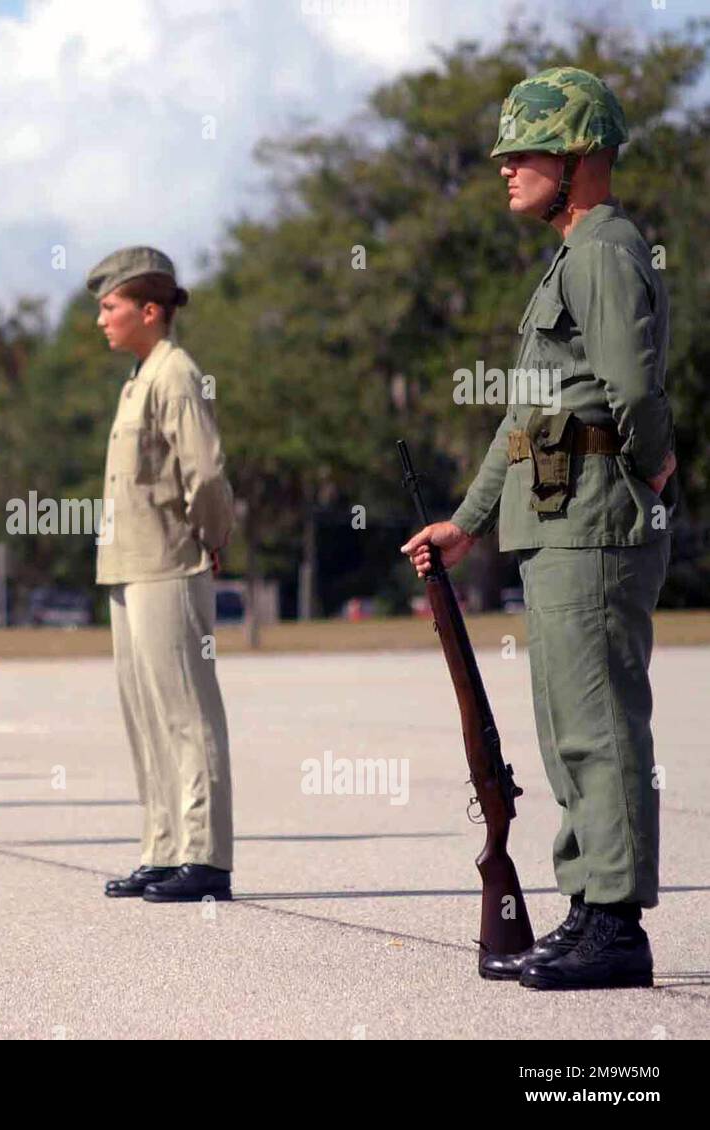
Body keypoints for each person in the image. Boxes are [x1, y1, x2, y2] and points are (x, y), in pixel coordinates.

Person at [402, 67, 678, 990]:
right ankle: (590, 903)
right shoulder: (571, 257)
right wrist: (468, 524)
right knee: (568, 725)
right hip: (557, 521)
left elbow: (634, 391)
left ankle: (617, 925)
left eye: (523, 153)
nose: (505, 170)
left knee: (598, 724)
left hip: (596, 520)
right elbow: (525, 417)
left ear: (578, 158)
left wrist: (651, 463)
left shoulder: (603, 252)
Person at [85, 247, 235, 903]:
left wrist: (211, 537)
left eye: (110, 306)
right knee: (144, 716)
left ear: (150, 310)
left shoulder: (176, 375)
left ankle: (203, 856)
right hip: (129, 565)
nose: (100, 320)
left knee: (186, 712)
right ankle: (164, 847)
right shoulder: (140, 377)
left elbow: (204, 472)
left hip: (169, 563)